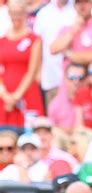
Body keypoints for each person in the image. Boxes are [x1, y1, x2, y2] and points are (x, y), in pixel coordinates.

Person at [0, 0, 43, 128]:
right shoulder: (2, 40)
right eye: (13, 13)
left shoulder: (34, 39)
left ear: (25, 14)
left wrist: (16, 96)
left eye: (19, 13)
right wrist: (5, 95)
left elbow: (32, 71)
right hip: (5, 93)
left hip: (27, 92)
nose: (16, 17)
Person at [50, 0, 92, 67]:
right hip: (68, 76)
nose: (82, 6)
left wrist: (68, 53)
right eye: (78, 2)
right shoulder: (68, 27)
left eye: (85, 2)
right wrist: (72, 32)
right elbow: (53, 49)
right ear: (74, 6)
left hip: (90, 75)